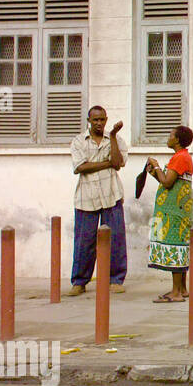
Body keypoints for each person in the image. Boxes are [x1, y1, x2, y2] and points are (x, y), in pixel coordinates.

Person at [68, 107, 128, 296]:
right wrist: (107, 163)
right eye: (95, 120)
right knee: (84, 241)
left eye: (102, 120)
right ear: (89, 120)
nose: (99, 123)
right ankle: (79, 281)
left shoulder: (115, 140)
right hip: (87, 197)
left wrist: (112, 136)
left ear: (106, 120)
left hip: (111, 195)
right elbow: (80, 167)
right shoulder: (78, 141)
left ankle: (116, 279)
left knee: (116, 239)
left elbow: (118, 163)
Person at [146, 126, 193, 302]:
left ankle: (176, 293)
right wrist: (155, 173)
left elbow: (167, 182)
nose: (168, 138)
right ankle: (181, 289)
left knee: (176, 246)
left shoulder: (180, 157)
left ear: (177, 140)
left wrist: (158, 166)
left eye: (171, 135)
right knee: (180, 246)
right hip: (178, 211)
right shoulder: (182, 157)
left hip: (174, 213)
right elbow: (169, 180)